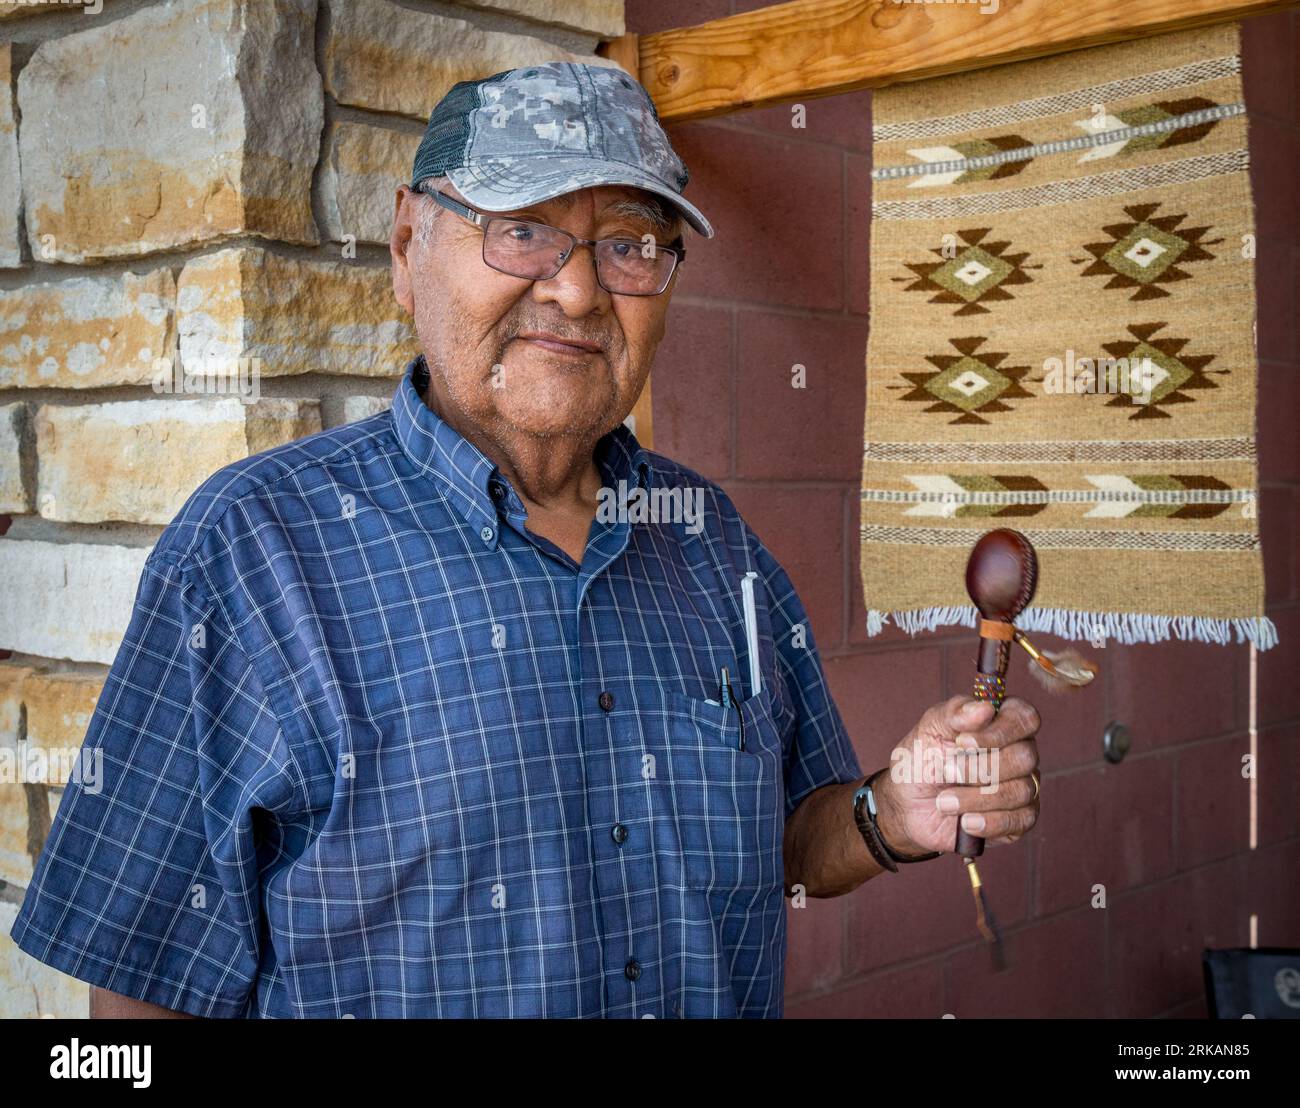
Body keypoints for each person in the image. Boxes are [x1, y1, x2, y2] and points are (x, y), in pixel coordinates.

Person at [9, 61, 1040, 1019]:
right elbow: (140, 985)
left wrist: (894, 811)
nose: (580, 289)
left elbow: (789, 838)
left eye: (631, 243)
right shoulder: (251, 551)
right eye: (520, 227)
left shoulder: (711, 540)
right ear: (410, 247)